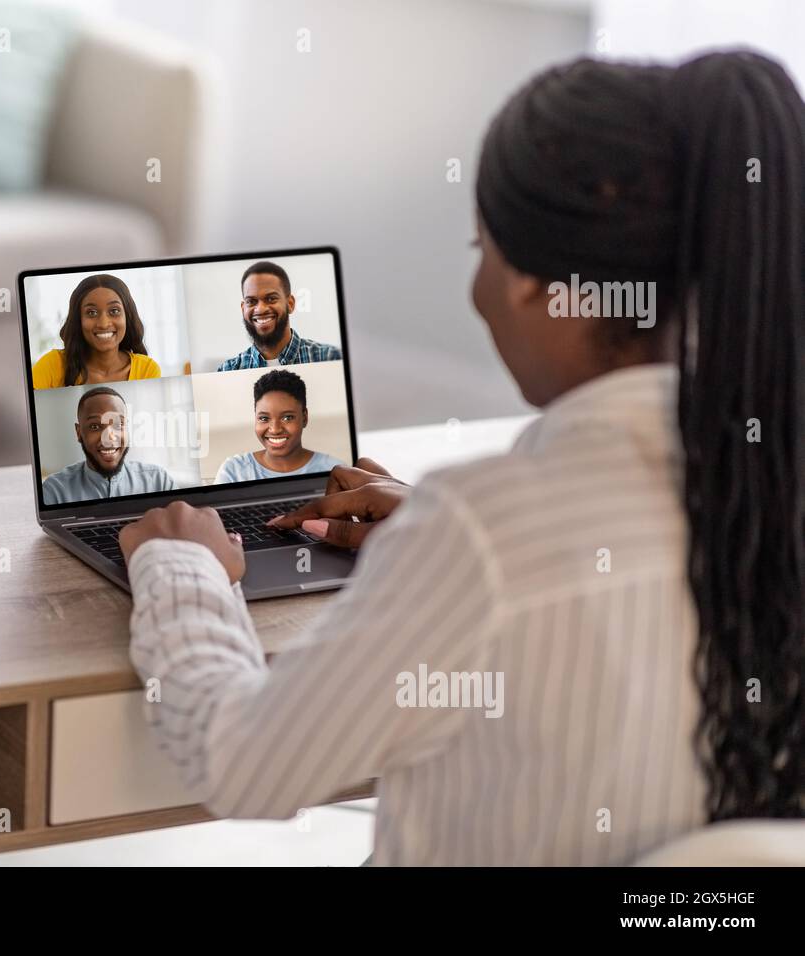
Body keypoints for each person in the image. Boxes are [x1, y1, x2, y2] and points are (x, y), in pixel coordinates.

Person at [116, 52, 804, 864]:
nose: (476, 291)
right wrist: (440, 548)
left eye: (482, 248)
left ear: (527, 282)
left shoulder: (483, 533)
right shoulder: (777, 487)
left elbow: (244, 765)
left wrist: (181, 569)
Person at [42, 387, 176, 505]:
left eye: (118, 425)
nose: (109, 438)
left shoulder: (159, 481)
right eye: (95, 426)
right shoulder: (54, 491)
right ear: (79, 432)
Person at [32, 275, 161, 388]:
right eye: (91, 313)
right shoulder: (51, 365)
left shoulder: (147, 369)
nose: (104, 324)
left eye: (114, 311)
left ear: (127, 316)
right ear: (79, 320)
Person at [214, 369, 342, 483]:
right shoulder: (234, 471)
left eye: (287, 418)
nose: (275, 430)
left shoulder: (335, 470)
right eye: (264, 418)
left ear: (305, 417)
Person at [216, 261, 341, 371]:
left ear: (290, 304)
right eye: (251, 301)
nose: (260, 309)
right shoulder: (228, 370)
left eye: (271, 299)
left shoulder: (328, 358)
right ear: (243, 309)